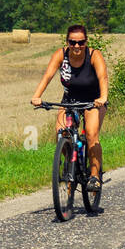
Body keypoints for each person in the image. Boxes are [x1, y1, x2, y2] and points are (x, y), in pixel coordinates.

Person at [30, 24, 109, 193]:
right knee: (61, 133)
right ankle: (70, 166)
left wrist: (103, 98)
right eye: (72, 43)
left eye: (81, 43)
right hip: (69, 100)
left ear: (86, 42)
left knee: (91, 133)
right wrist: (37, 96)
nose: (77, 47)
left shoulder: (94, 55)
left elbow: (103, 77)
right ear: (67, 42)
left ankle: (94, 176)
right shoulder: (61, 55)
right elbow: (48, 76)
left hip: (92, 101)